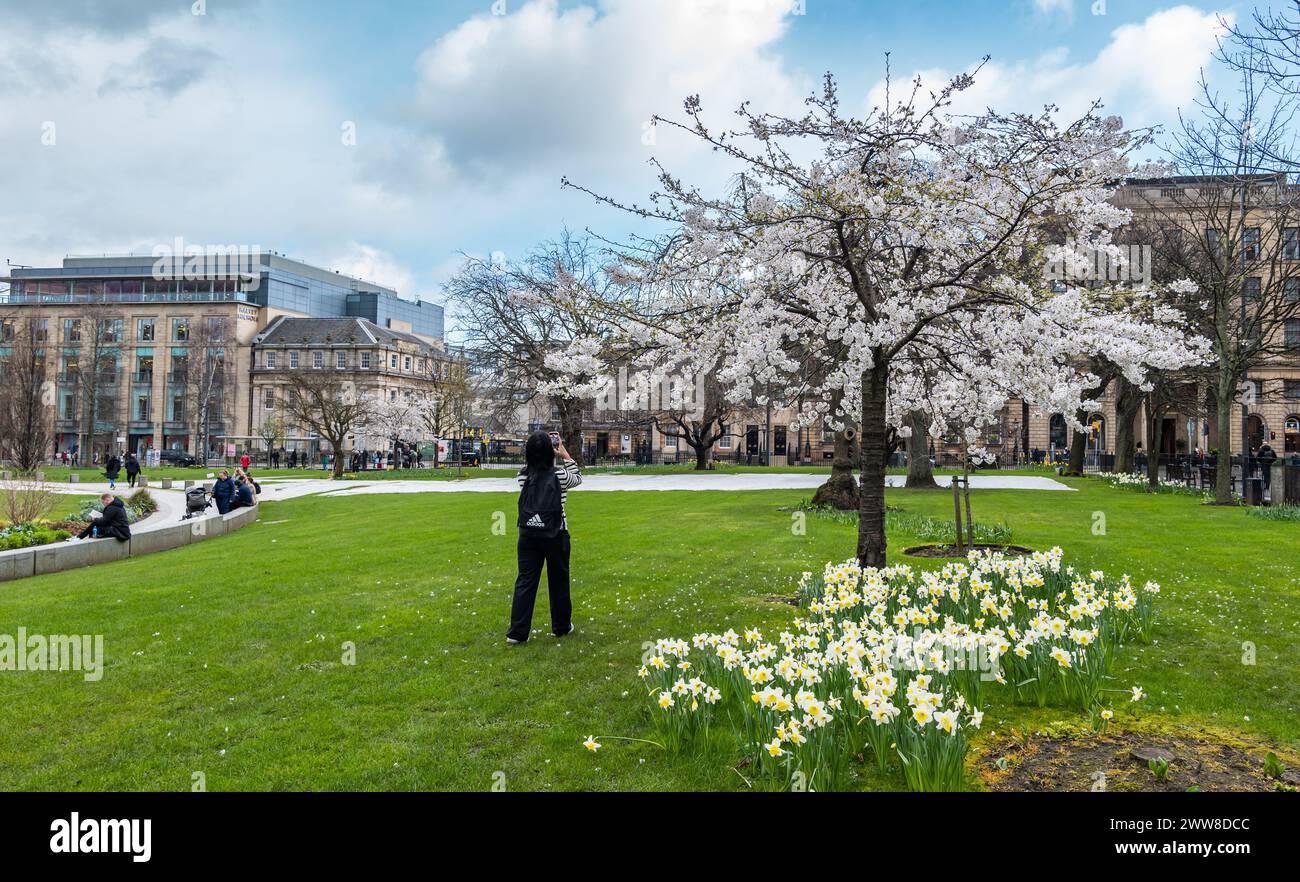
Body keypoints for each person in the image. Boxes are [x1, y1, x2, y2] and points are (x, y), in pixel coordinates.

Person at [506, 432, 582, 645]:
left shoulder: (523, 476)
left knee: (525, 581)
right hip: (556, 533)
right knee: (558, 580)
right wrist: (565, 456)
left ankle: (517, 632)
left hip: (528, 534)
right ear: (551, 451)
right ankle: (561, 626)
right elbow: (577, 478)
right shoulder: (560, 476)